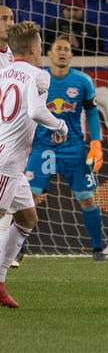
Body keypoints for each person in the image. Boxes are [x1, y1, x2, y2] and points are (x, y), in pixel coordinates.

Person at [1, 23, 70, 306]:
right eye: (41, 46)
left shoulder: (4, 71)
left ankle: (0, 284)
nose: (42, 50)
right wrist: (61, 125)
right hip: (6, 164)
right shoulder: (39, 75)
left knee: (27, 219)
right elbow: (37, 110)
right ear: (33, 49)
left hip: (12, 165)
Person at [19, 35, 105, 263]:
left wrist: (96, 143)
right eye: (58, 49)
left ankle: (98, 249)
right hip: (42, 148)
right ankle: (19, 249)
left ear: (72, 55)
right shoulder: (39, 79)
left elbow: (93, 114)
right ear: (49, 53)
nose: (63, 52)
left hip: (74, 150)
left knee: (86, 198)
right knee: (28, 198)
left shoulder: (83, 81)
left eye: (67, 49)